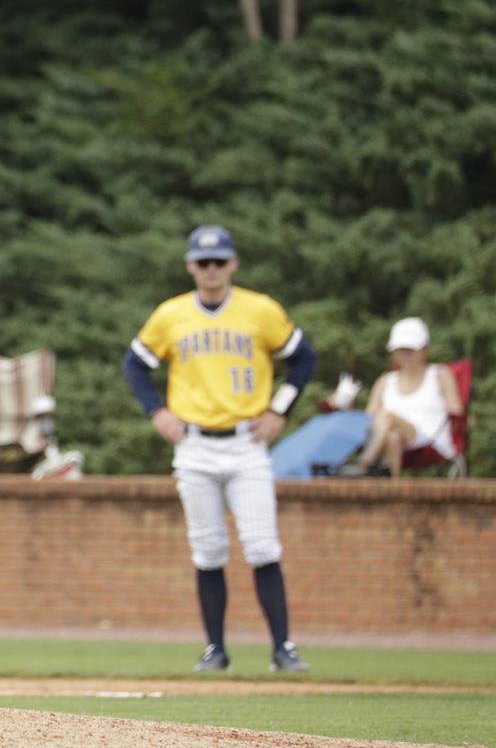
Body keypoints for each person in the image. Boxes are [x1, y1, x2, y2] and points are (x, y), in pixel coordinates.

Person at [122, 225, 319, 674]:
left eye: (219, 261)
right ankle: (215, 649)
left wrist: (279, 409)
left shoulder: (260, 309)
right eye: (203, 262)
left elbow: (304, 357)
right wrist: (157, 412)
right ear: (191, 265)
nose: (211, 270)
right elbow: (135, 363)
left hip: (246, 442)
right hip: (194, 444)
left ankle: (282, 648)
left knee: (262, 546)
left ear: (233, 263)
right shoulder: (171, 315)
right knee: (208, 549)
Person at [347, 317, 463, 479]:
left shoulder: (440, 375)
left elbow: (456, 410)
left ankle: (363, 465)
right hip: (394, 438)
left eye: (410, 349)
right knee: (393, 436)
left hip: (430, 439)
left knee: (387, 416)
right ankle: (394, 494)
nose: (405, 354)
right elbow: (369, 419)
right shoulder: (384, 381)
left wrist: (464, 421)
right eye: (400, 349)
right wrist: (348, 408)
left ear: (424, 349)